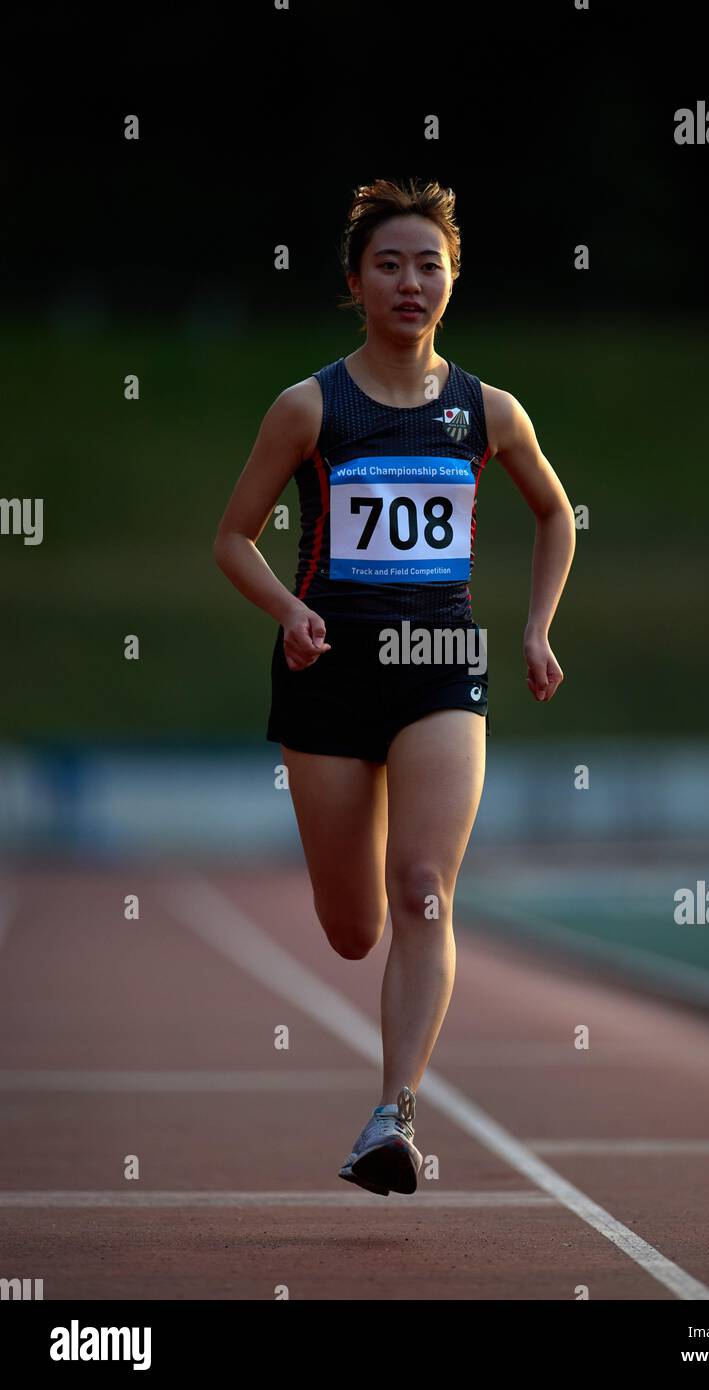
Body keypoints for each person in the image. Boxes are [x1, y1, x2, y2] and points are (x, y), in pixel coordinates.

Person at [213, 177, 575, 1196]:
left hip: (439, 670)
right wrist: (289, 611)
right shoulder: (308, 406)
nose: (410, 282)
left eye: (428, 264)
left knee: (422, 890)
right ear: (355, 283)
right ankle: (367, 958)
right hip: (327, 675)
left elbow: (556, 514)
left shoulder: (487, 411)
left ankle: (393, 1115)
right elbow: (231, 536)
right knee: (352, 926)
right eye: (390, 264)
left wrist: (535, 625)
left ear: (451, 280)